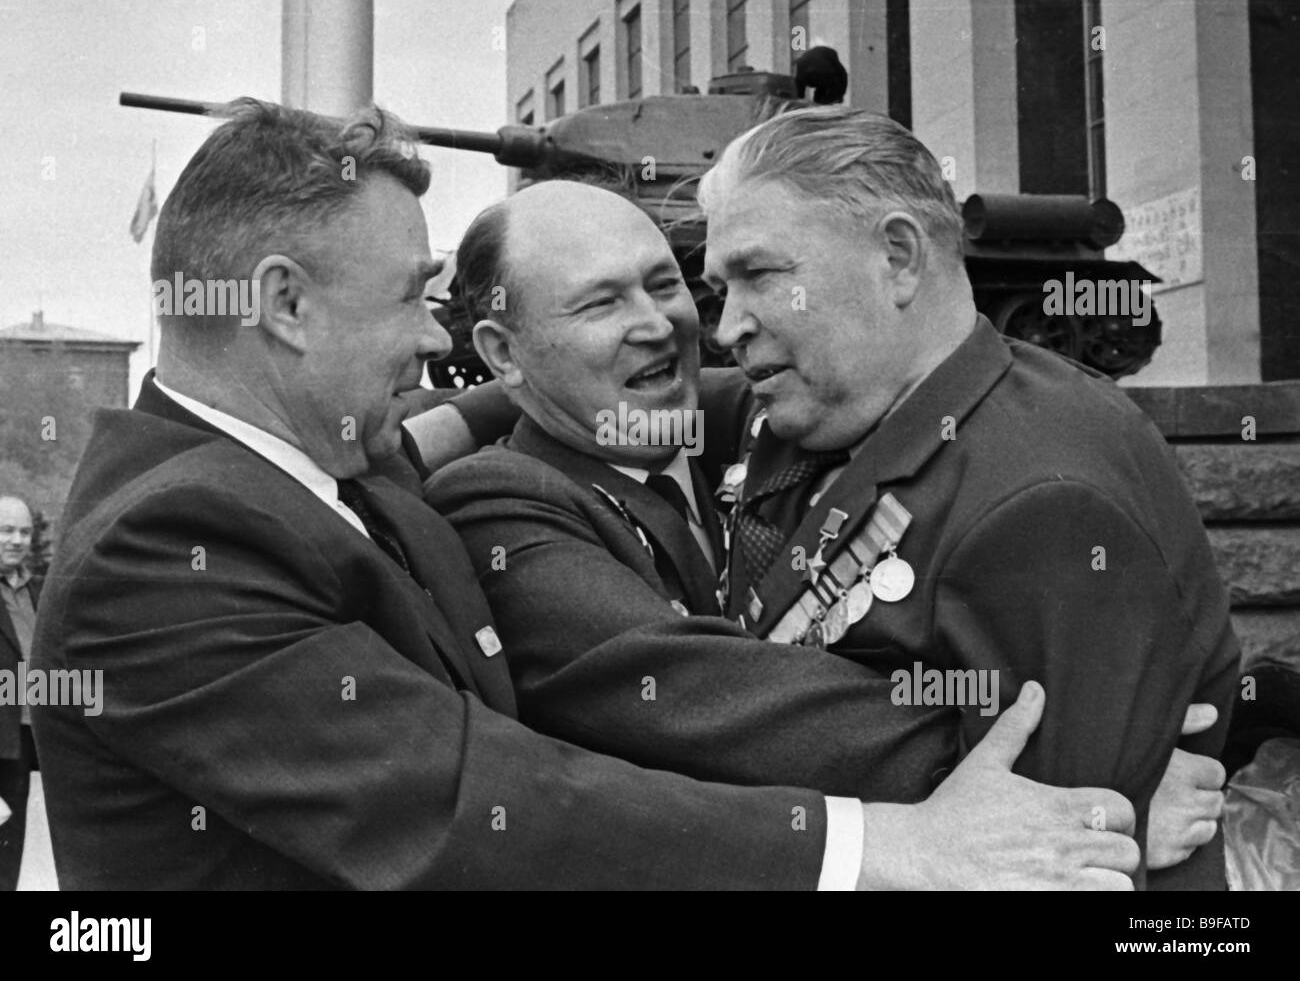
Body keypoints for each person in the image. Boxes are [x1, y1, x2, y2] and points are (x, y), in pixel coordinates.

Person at [30, 98, 1140, 891]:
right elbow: (472, 800)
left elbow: (568, 413)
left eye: (671, 286)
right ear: (281, 304)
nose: (432, 334)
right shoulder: (165, 547)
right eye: (412, 297)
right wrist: (907, 844)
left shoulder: (337, 465)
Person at [418, 179, 1229, 885]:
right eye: (601, 303)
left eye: (663, 285)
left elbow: (911, 365)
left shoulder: (720, 415)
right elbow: (703, 701)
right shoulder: (497, 500)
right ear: (502, 350)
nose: (661, 325)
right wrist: (1097, 773)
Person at [695, 104, 1240, 888]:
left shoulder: (1043, 503)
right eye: (718, 288)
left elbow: (1047, 858)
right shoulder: (830, 396)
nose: (726, 327)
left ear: (898, 258)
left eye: (759, 275)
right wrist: (463, 417)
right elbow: (618, 395)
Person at [0, 494, 40, 889]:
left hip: (24, 732)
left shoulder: (36, 590)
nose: (16, 540)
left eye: (24, 531)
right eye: (6, 530)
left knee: (10, 839)